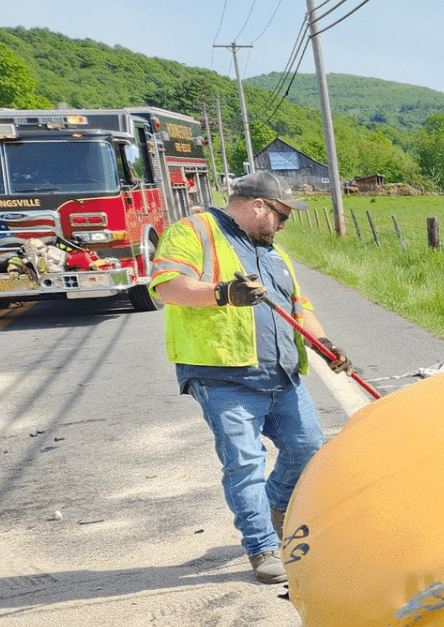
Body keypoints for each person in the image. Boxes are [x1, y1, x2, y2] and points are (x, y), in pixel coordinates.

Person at [148, 172, 347, 584]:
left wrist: (325, 344)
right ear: (259, 206)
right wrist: (223, 293)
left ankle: (276, 504)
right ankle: (261, 548)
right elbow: (167, 287)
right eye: (282, 216)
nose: (282, 225)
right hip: (224, 377)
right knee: (244, 463)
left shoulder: (273, 253)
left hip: (281, 374)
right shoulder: (194, 232)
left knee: (307, 447)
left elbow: (298, 305)